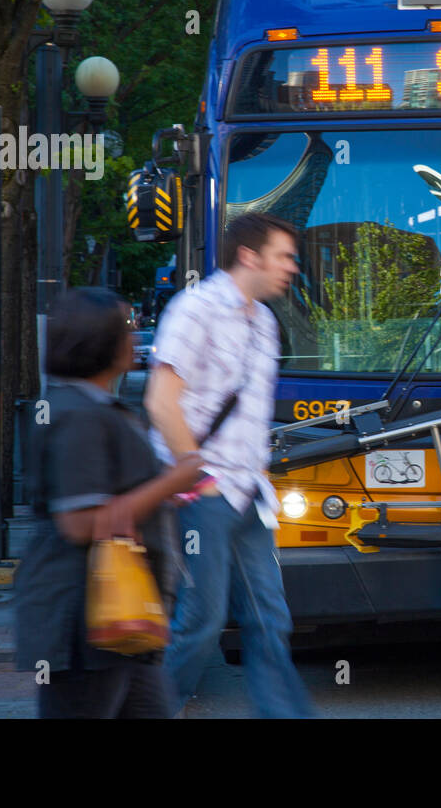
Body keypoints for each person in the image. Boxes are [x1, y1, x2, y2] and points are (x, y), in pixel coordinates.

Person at [145, 211, 313, 718]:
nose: (293, 267)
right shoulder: (195, 310)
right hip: (203, 495)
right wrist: (201, 480)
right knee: (203, 618)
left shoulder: (264, 322)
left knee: (269, 618)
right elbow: (160, 402)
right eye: (285, 256)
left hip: (248, 496)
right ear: (249, 256)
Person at [15, 288, 203, 718]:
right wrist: (171, 479)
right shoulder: (77, 414)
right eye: (128, 327)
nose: (136, 336)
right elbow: (79, 523)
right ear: (97, 339)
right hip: (86, 622)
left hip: (122, 623)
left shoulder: (100, 408)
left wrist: (161, 489)